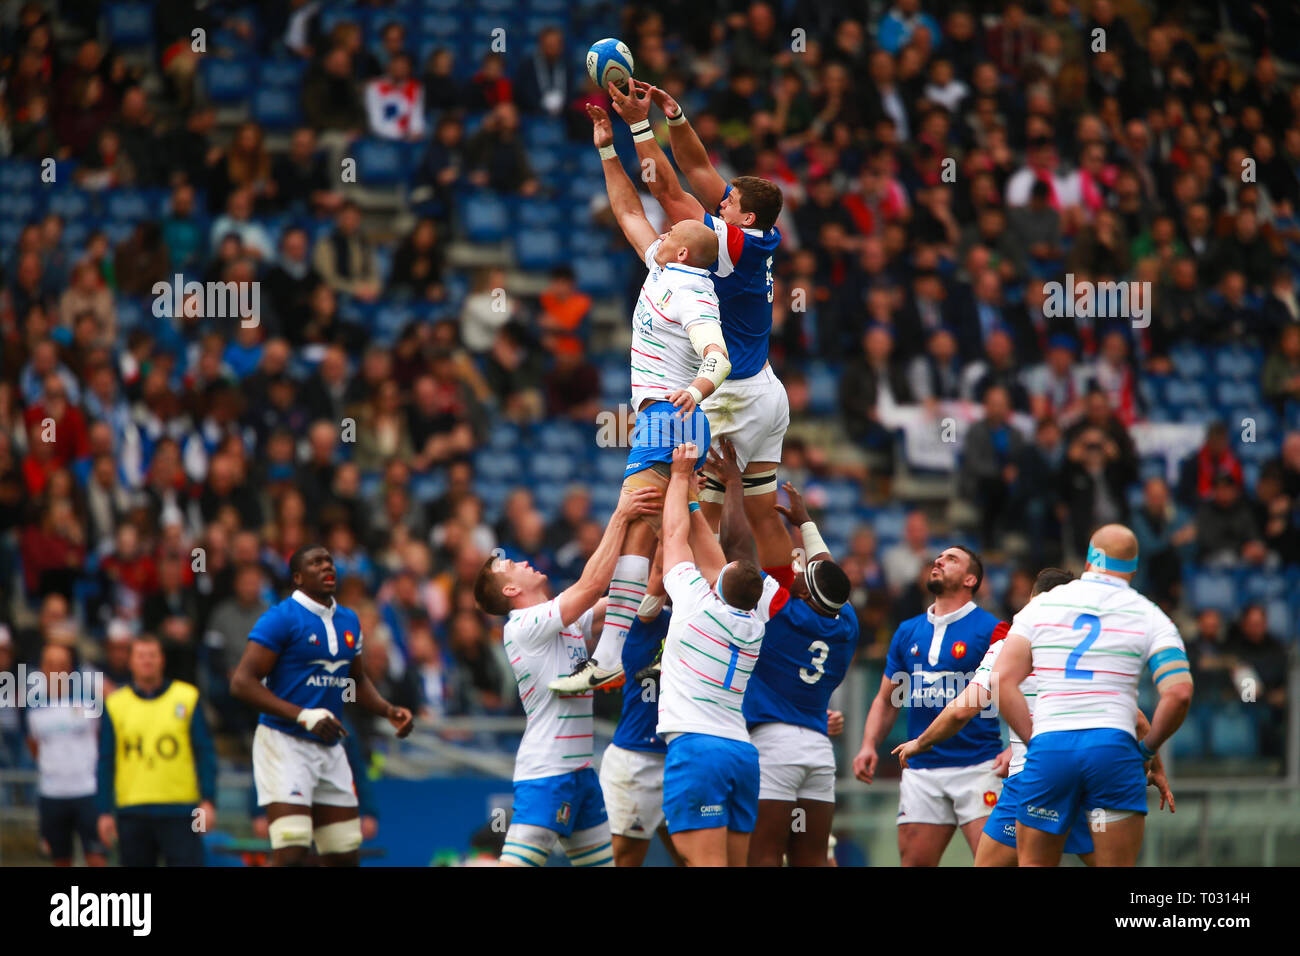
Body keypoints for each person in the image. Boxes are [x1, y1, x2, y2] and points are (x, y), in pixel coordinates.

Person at [548, 103, 729, 692]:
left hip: (669, 421)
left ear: (681, 250)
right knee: (663, 533)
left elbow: (717, 356)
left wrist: (696, 391)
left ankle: (616, 651)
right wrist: (607, 146)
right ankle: (697, 627)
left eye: (674, 229)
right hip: (659, 422)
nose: (665, 226)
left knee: (640, 529)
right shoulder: (665, 267)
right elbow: (627, 208)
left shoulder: (693, 291)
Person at [611, 80, 793, 580]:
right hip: (767, 392)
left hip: (725, 390)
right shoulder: (761, 232)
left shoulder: (732, 243)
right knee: (761, 510)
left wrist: (638, 125)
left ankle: (678, 610)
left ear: (743, 215)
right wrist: (677, 118)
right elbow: (698, 169)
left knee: (688, 511)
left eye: (728, 201)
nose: (720, 201)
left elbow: (668, 188)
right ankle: (786, 601)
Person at [892, 567, 1177, 865]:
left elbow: (963, 709)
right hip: (1093, 772)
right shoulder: (1090, 655)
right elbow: (1140, 722)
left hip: (1039, 773)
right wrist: (1154, 765)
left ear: (1032, 601)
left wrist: (920, 743)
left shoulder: (1009, 648)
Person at [472, 483, 661, 867]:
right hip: (547, 773)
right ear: (510, 589)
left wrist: (659, 537)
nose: (523, 562)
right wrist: (622, 515)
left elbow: (622, 599)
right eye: (512, 566)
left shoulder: (557, 617)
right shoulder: (524, 624)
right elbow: (592, 586)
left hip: (579, 772)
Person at [991, 525, 1194, 866]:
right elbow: (1179, 694)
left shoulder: (1041, 606)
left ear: (1088, 560)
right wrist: (1146, 750)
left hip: (1051, 749)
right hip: (1112, 750)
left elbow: (1001, 680)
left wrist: (1034, 739)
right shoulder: (1150, 615)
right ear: (1133, 568)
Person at [709, 440, 857, 867]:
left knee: (763, 856)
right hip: (817, 750)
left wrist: (734, 483)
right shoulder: (845, 622)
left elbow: (739, 549)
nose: (797, 568)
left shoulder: (779, 609)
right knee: (812, 859)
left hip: (774, 744)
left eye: (802, 574)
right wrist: (806, 524)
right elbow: (828, 574)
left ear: (807, 594)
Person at [229, 546, 415, 866]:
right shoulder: (280, 618)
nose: (326, 566)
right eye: (316, 563)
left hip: (330, 746)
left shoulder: (349, 619)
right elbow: (241, 683)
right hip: (284, 742)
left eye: (329, 561)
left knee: (344, 855)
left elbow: (354, 681)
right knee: (292, 850)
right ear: (298, 577)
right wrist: (302, 715)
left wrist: (387, 709)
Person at [657, 443, 782, 866]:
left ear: (720, 583)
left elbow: (674, 538)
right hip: (740, 753)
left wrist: (678, 476)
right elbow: (717, 562)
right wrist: (694, 500)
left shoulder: (696, 603)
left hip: (699, 749)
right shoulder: (755, 624)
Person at [851, 545, 1005, 866]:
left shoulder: (992, 629)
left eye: (952, 559)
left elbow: (1023, 690)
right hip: (921, 771)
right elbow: (886, 698)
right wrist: (868, 744)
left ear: (970, 579)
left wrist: (1015, 748)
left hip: (978, 767)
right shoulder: (907, 631)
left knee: (997, 864)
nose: (939, 561)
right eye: (939, 558)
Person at [96, 635, 217, 867]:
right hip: (132, 810)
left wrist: (208, 801)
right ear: (130, 662)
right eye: (141, 656)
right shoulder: (115, 704)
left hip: (183, 809)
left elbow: (204, 752)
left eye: (152, 655)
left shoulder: (187, 697)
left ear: (162, 660)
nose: (147, 661)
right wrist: (104, 811)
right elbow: (106, 760)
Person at [597, 555, 683, 867]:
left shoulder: (699, 619)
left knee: (695, 858)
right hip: (636, 761)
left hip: (681, 758)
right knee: (624, 860)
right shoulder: (642, 618)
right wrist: (669, 525)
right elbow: (661, 570)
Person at [24, 642, 105, 866]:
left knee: (97, 858)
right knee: (59, 860)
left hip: (88, 792)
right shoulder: (33, 708)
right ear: (42, 669)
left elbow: (100, 739)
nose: (55, 670)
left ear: (70, 669)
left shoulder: (90, 702)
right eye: (50, 665)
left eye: (61, 665)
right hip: (52, 794)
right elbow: (34, 745)